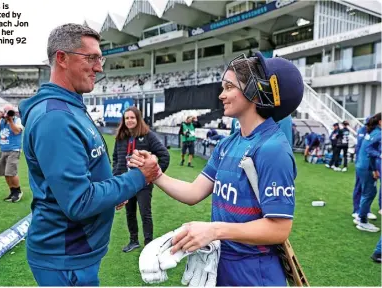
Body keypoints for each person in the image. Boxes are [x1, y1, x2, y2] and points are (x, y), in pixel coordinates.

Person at [129, 51, 304, 286]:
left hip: (255, 273)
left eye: (229, 87)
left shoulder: (273, 149)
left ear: (256, 91)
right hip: (222, 265)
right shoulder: (227, 144)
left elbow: (279, 229)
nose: (221, 95)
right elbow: (193, 193)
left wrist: (214, 231)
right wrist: (156, 174)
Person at [18, 23, 161, 287]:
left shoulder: (71, 106)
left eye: (100, 58)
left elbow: (86, 176)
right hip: (65, 257)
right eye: (91, 58)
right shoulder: (56, 119)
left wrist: (112, 194)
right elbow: (79, 202)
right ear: (62, 58)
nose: (99, 67)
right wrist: (138, 178)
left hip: (75, 253)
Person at [112, 106, 170, 252]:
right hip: (126, 182)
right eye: (127, 118)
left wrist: (153, 175)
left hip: (143, 183)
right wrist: (116, 178)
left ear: (138, 119)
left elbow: (164, 156)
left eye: (132, 117)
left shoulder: (148, 135)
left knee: (145, 213)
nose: (129, 120)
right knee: (129, 212)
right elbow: (116, 159)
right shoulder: (121, 138)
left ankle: (149, 244)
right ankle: (133, 240)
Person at [0, 104, 24, 202]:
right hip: (3, 149)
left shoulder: (17, 120)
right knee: (5, 172)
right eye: (7, 111)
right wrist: (0, 116)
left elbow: (17, 131)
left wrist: (10, 121)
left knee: (11, 172)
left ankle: (18, 191)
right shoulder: (1, 120)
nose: (10, 114)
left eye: (11, 111)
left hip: (14, 149)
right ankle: (12, 191)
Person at [354, 113, 381, 232]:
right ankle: (362, 220)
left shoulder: (372, 132)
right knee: (369, 192)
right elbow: (369, 150)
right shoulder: (378, 134)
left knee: (366, 191)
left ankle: (360, 216)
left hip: (362, 165)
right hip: (366, 167)